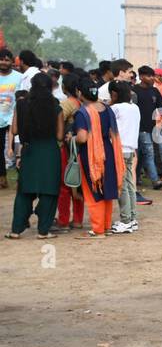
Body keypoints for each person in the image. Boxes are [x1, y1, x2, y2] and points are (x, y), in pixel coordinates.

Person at [6, 72, 62, 238]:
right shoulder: (56, 107)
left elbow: (14, 130)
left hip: (29, 151)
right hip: (50, 151)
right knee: (49, 191)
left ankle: (16, 230)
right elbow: (59, 136)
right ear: (51, 87)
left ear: (32, 86)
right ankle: (43, 230)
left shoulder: (21, 105)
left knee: (25, 190)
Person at [71, 75, 125, 238]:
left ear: (80, 92)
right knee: (107, 189)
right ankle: (106, 225)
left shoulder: (82, 113)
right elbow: (111, 132)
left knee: (93, 190)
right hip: (108, 151)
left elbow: (82, 137)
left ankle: (97, 229)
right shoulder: (106, 108)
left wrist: (71, 138)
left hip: (91, 154)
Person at [108, 82, 142, 234]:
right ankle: (132, 218)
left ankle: (126, 220)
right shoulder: (135, 107)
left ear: (115, 94)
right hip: (130, 149)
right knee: (129, 185)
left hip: (119, 149)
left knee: (122, 187)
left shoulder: (115, 108)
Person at [55, 74, 85, 230]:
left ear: (64, 87)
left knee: (65, 184)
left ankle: (63, 220)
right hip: (82, 147)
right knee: (78, 183)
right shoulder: (84, 102)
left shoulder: (66, 104)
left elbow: (57, 123)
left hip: (67, 148)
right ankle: (78, 219)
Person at [134, 66, 162, 190]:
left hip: (151, 128)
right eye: (149, 76)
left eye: (153, 75)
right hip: (138, 128)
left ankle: (135, 178)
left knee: (142, 155)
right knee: (149, 153)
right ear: (141, 77)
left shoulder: (155, 91)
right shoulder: (133, 91)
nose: (152, 78)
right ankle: (155, 180)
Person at [0, 48, 18, 188]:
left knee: (17, 148)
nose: (4, 62)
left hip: (15, 117)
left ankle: (20, 178)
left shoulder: (19, 77)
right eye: (1, 59)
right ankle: (2, 177)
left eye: (7, 60)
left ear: (12, 61)